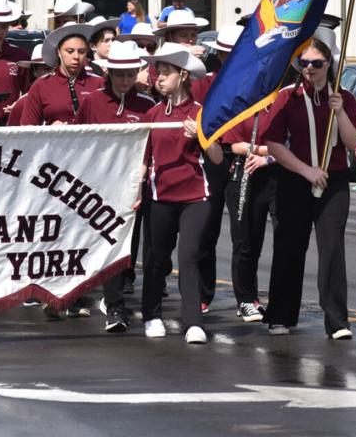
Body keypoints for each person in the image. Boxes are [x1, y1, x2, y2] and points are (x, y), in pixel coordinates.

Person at [261, 28, 356, 339]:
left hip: (335, 179)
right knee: (289, 246)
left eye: (316, 63)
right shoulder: (287, 97)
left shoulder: (344, 98)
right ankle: (280, 316)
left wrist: (340, 112)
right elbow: (274, 144)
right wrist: (306, 171)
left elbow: (353, 142)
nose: (308, 69)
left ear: (329, 63)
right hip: (295, 178)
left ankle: (337, 322)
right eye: (303, 62)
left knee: (332, 249)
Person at [74, 40, 157, 333]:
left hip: (133, 186)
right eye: (118, 74)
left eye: (129, 73)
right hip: (97, 185)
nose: (124, 80)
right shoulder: (92, 101)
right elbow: (79, 142)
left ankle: (115, 302)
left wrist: (141, 180)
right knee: (102, 244)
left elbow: (150, 147)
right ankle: (109, 304)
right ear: (108, 73)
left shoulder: (147, 105)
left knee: (128, 249)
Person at [139, 42, 211, 344]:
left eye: (166, 72)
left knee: (190, 256)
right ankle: (152, 315)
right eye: (158, 72)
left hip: (195, 196)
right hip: (160, 196)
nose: (159, 77)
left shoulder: (200, 112)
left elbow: (218, 158)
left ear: (183, 76)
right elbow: (143, 159)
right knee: (157, 258)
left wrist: (203, 137)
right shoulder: (153, 113)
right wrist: (136, 193)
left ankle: (193, 322)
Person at [206, 110, 279, 324]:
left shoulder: (283, 104)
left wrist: (268, 157)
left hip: (276, 175)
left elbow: (292, 142)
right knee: (245, 240)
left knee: (276, 241)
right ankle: (246, 299)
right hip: (244, 175)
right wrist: (267, 151)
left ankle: (263, 298)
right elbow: (234, 144)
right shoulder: (245, 108)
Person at [193, 24, 243, 312]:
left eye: (234, 54)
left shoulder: (254, 85)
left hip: (241, 158)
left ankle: (245, 297)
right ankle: (203, 293)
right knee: (206, 228)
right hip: (211, 157)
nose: (229, 59)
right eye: (225, 54)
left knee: (243, 233)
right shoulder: (203, 83)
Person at [15, 23, 105, 126]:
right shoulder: (41, 85)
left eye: (81, 51)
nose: (76, 56)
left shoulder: (100, 83)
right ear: (58, 52)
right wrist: (49, 129)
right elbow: (27, 128)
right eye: (69, 51)